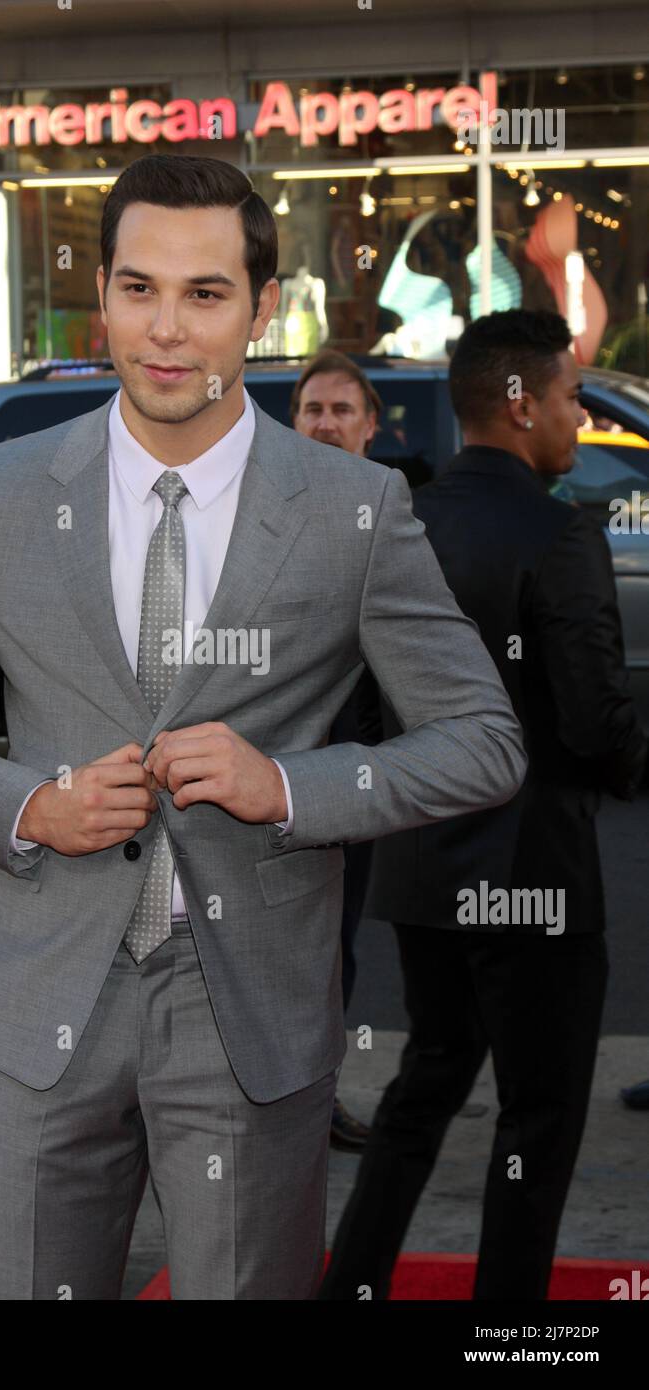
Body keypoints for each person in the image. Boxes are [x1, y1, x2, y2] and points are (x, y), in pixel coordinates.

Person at [0, 153, 526, 1301]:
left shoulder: (352, 510)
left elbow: (482, 740)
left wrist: (290, 788)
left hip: (248, 1018)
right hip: (40, 1011)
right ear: (101, 294)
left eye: (204, 293)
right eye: (138, 288)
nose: (165, 329)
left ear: (261, 308)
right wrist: (29, 805)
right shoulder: (5, 491)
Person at [320, 309, 647, 1302]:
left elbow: (364, 709)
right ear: (519, 405)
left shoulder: (401, 524)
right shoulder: (560, 533)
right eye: (568, 398)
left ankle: (351, 1287)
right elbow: (594, 723)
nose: (577, 418)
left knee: (424, 1085)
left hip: (422, 871)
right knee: (537, 1120)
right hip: (536, 876)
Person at [291, 349, 383, 1152]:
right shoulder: (249, 511)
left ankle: (312, 1102)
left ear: (370, 426)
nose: (325, 424)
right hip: (247, 780)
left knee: (332, 950)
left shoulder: (391, 518)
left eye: (341, 410)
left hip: (349, 784)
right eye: (312, 409)